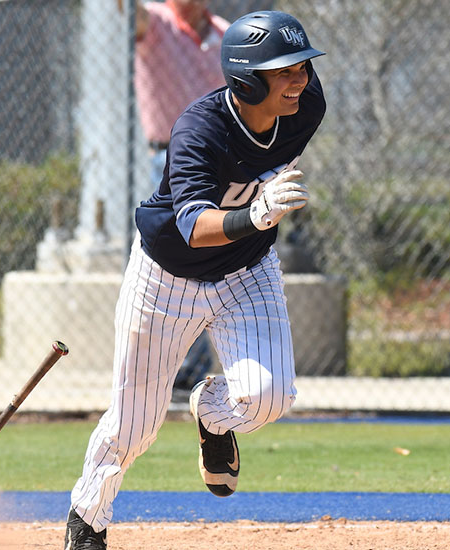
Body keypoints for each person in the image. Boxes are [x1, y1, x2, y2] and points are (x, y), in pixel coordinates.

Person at [64, 10, 326, 550]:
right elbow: (192, 227)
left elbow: (292, 103)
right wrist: (254, 215)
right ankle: (88, 520)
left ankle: (212, 411)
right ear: (246, 79)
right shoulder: (197, 131)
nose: (299, 78)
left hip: (246, 272)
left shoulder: (306, 107)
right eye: (283, 70)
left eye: (301, 64)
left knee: (270, 396)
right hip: (166, 279)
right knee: (134, 426)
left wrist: (255, 227)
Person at [132, 0, 231, 395]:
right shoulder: (155, 23)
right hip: (169, 159)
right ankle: (174, 367)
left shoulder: (224, 34)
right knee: (171, 261)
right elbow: (131, 16)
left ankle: (193, 370)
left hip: (222, 159)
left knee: (215, 260)